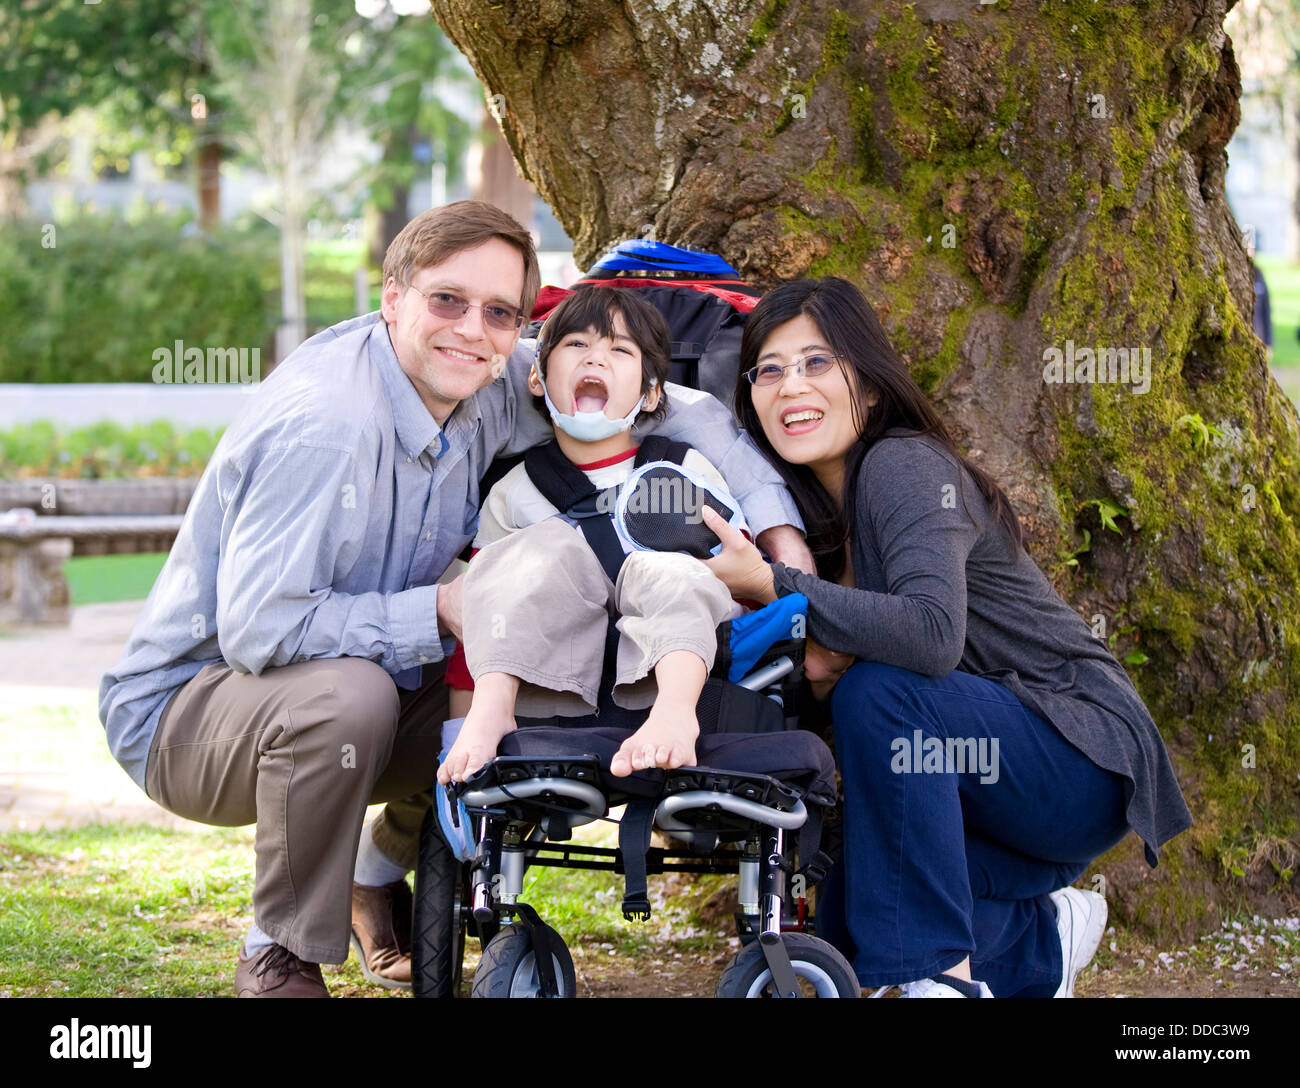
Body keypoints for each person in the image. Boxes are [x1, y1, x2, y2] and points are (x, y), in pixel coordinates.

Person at [97, 201, 812, 997]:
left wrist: (782, 546)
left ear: (519, 333)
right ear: (392, 296)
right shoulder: (328, 427)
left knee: (527, 684)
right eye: (447, 300)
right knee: (354, 692)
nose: (472, 329)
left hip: (370, 677)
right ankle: (279, 951)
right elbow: (259, 629)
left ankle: (376, 873)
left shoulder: (492, 376)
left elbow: (680, 408)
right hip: (193, 716)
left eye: (500, 313)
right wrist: (437, 611)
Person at [699, 276, 1193, 998]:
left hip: (1078, 757)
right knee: (854, 917)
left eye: (815, 362)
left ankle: (945, 982)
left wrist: (777, 586)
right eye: (768, 370)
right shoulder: (820, 525)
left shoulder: (904, 464)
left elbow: (931, 637)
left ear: (866, 385)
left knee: (882, 691)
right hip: (983, 799)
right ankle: (1041, 940)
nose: (789, 386)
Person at [437, 287, 744, 786]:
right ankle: (491, 712)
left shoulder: (681, 468)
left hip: (667, 662)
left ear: (650, 394)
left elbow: (735, 572)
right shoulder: (515, 490)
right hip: (546, 676)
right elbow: (481, 609)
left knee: (670, 568)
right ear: (536, 377)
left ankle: (674, 711)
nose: (596, 357)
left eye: (620, 351)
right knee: (526, 555)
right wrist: (457, 729)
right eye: (577, 345)